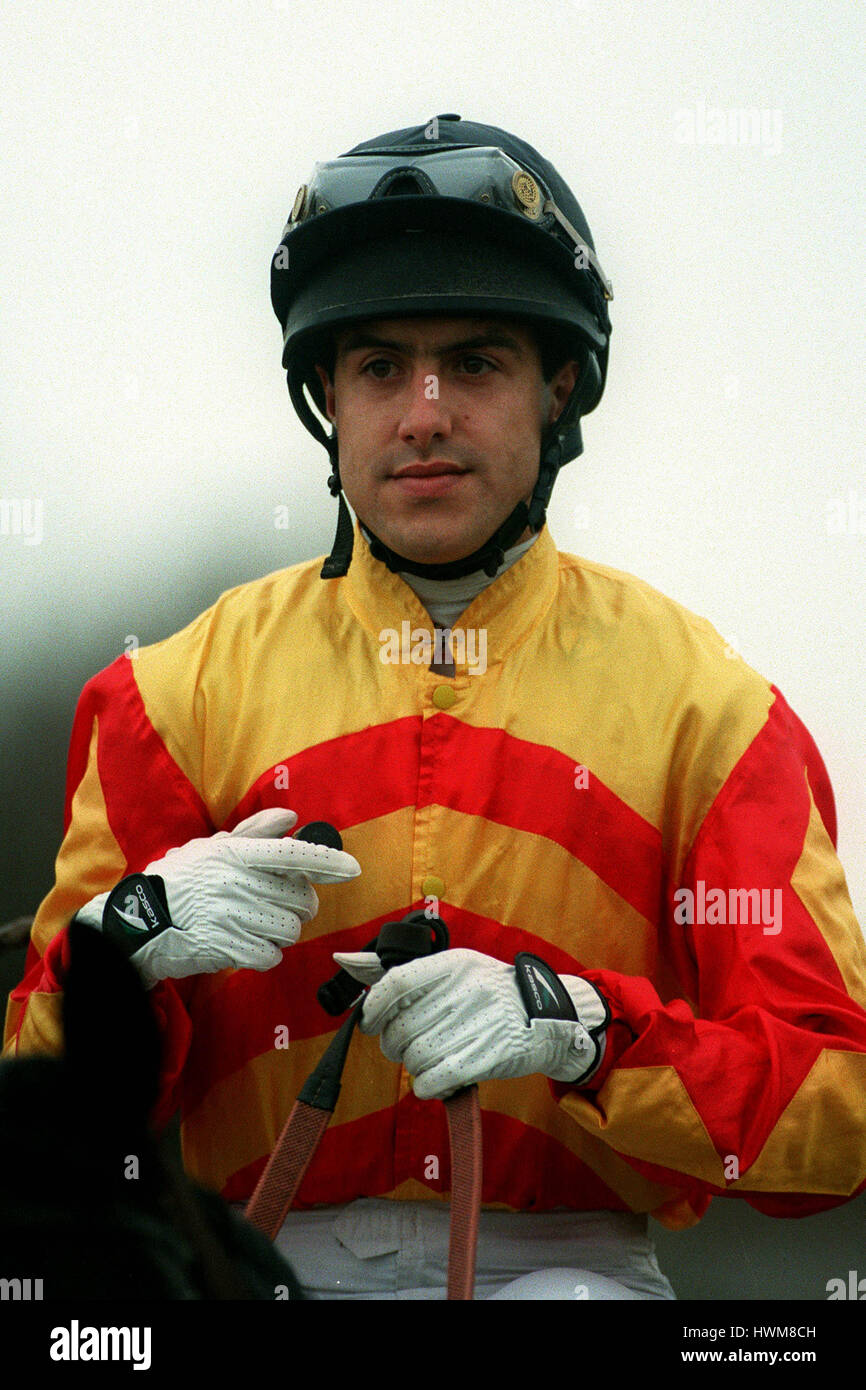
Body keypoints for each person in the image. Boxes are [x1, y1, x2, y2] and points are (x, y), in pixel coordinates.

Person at [5, 114, 866, 1301]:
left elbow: (840, 1115)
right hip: (240, 1260)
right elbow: (34, 1105)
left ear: (557, 387)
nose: (422, 414)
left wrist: (584, 1030)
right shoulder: (163, 695)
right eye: (377, 367)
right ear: (327, 398)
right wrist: (127, 943)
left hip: (570, 1267)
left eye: (473, 362)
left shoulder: (710, 710)